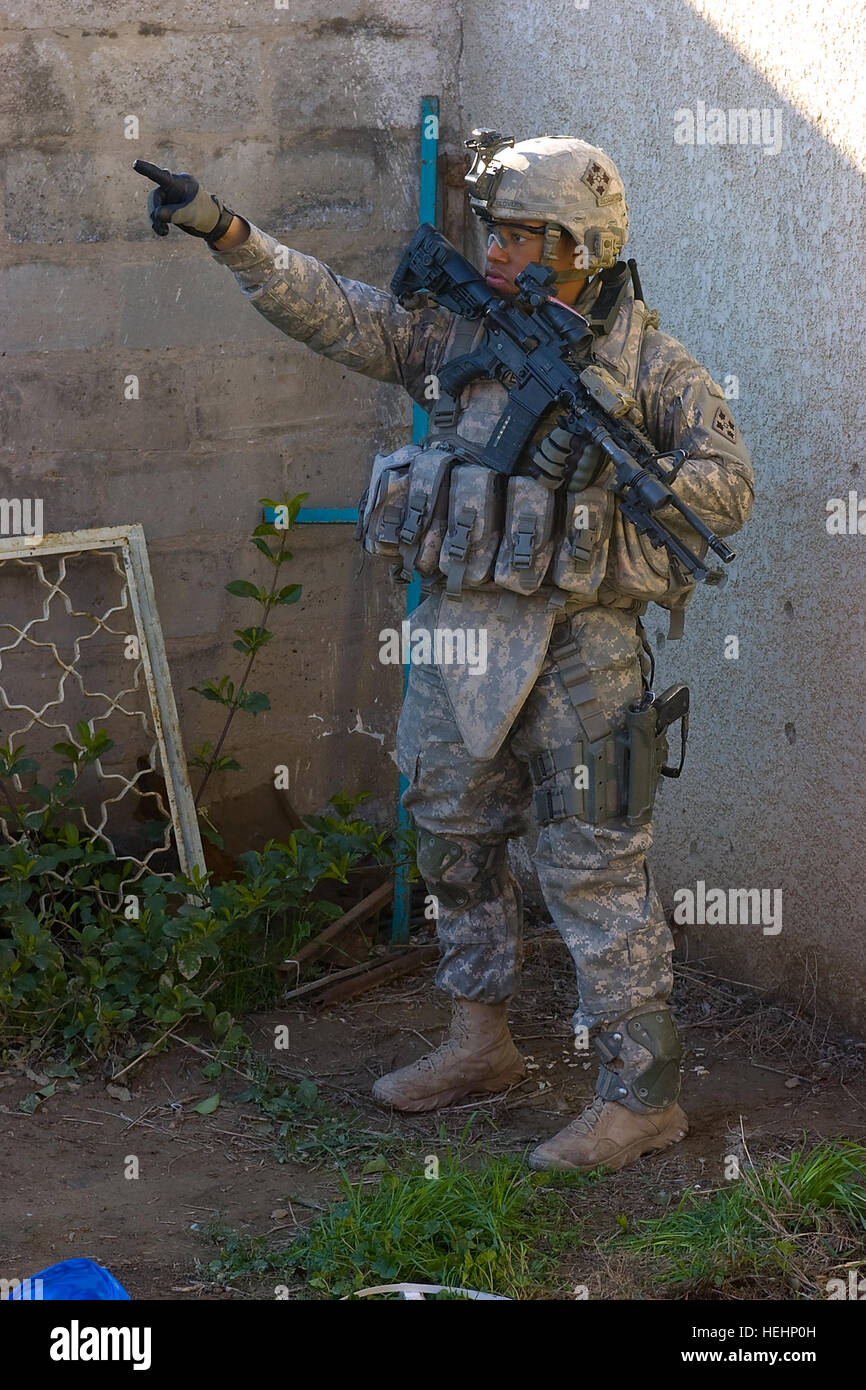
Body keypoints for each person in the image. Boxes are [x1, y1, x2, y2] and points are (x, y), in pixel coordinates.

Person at [134, 134, 754, 1174]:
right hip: (464, 633)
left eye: (522, 235)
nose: (499, 251)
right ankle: (480, 1044)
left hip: (583, 647)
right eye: (495, 232)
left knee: (593, 865)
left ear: (580, 245)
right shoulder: (460, 328)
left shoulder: (652, 363)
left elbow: (724, 492)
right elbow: (347, 319)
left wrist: (606, 504)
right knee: (451, 836)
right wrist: (229, 234)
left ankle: (639, 1094)